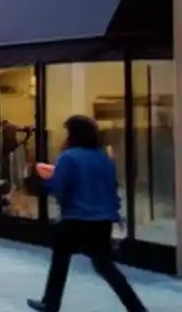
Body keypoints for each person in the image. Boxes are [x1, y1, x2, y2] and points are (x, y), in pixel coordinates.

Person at [26, 115, 146, 312]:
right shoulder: (103, 158)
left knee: (60, 260)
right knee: (105, 265)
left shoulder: (69, 157)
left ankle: (51, 302)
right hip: (102, 221)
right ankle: (136, 307)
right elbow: (112, 188)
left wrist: (40, 181)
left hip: (75, 220)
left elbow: (58, 186)